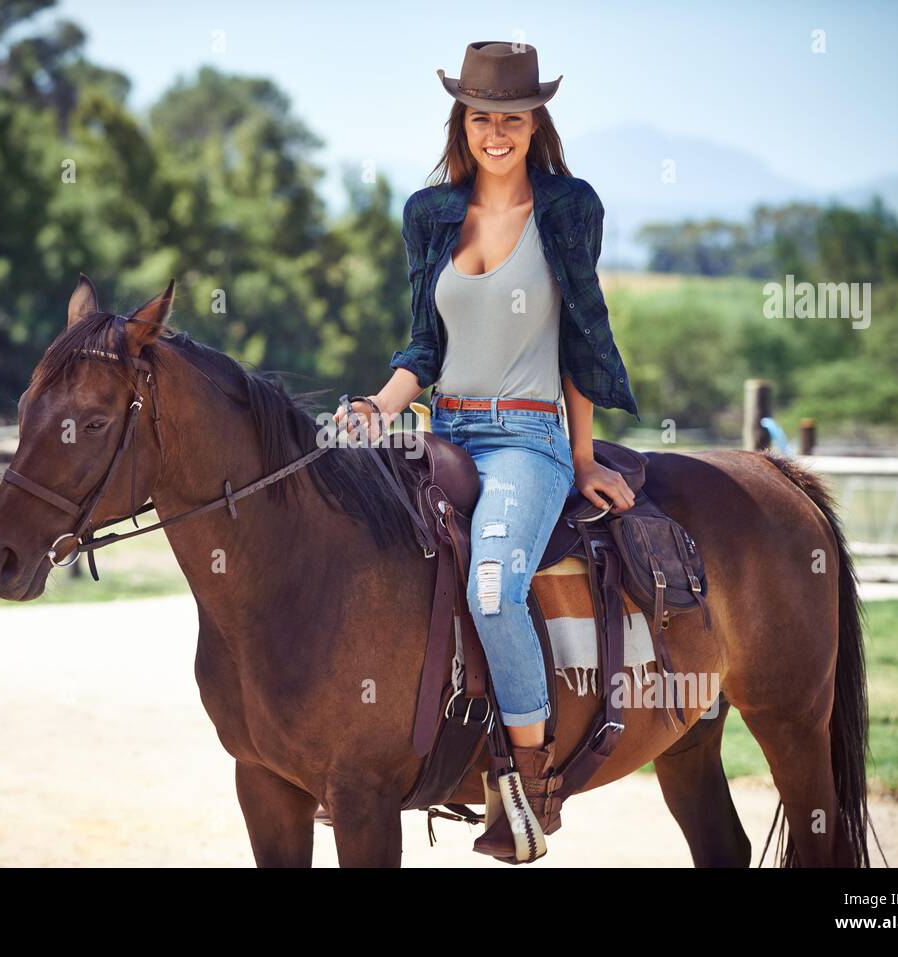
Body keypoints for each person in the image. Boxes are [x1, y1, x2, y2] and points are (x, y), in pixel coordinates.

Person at [334, 40, 639, 861]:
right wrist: (375, 408)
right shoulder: (429, 214)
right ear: (461, 122)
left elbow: (581, 339)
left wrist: (580, 459)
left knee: (495, 589)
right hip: (443, 429)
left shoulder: (569, 209)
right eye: (481, 117)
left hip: (527, 438)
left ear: (534, 121)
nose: (495, 131)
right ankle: (354, 745)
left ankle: (530, 785)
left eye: (510, 116)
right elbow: (420, 349)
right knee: (362, 555)